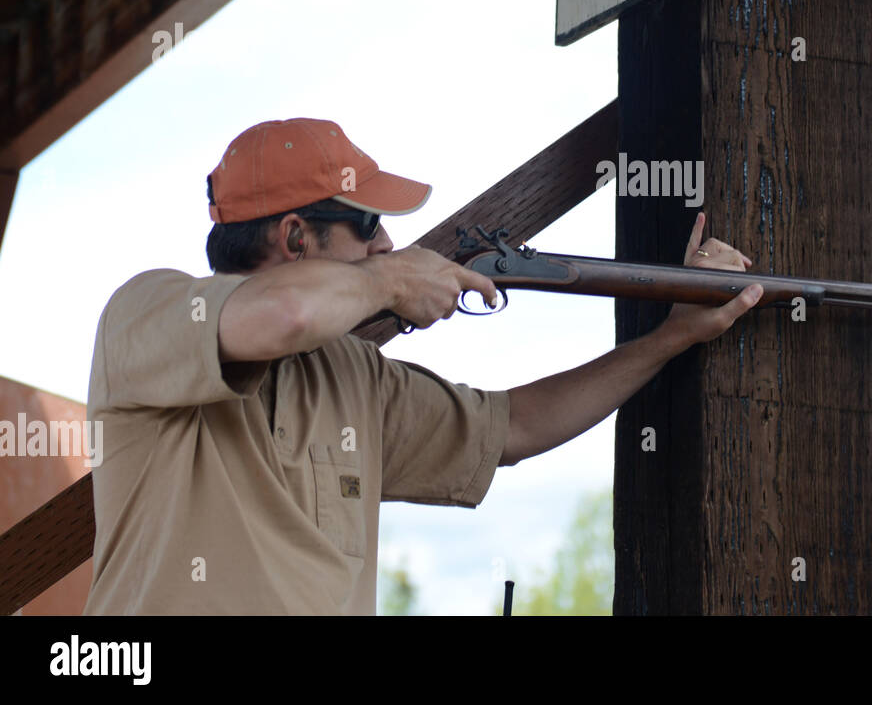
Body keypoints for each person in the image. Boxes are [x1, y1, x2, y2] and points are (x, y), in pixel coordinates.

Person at [82, 117, 761, 614]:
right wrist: (393, 283)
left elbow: (516, 427)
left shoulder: (353, 374)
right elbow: (282, 314)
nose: (388, 243)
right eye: (369, 227)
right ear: (295, 236)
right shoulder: (151, 310)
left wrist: (672, 336)